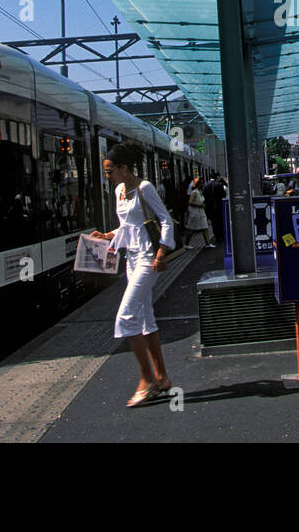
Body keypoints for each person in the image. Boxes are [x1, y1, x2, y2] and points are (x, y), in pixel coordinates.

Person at [90, 143, 175, 408]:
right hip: (131, 260)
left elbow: (166, 220)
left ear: (125, 169)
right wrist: (109, 236)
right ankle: (162, 377)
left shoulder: (144, 188)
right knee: (144, 317)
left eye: (110, 170)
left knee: (125, 317)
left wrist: (162, 252)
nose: (107, 176)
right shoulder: (119, 191)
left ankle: (146, 379)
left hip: (149, 259)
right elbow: (127, 227)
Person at [183, 176, 215, 249]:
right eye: (202, 183)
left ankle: (208, 243)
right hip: (194, 212)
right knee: (191, 229)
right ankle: (186, 244)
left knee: (205, 227)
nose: (203, 185)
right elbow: (190, 202)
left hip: (201, 212)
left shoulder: (200, 192)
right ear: (198, 184)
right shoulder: (194, 192)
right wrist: (200, 205)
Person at [203, 175, 227, 248]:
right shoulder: (219, 185)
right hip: (219, 206)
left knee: (214, 222)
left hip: (210, 208)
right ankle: (221, 235)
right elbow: (224, 195)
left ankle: (217, 236)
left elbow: (204, 195)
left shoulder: (206, 185)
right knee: (220, 221)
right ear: (216, 177)